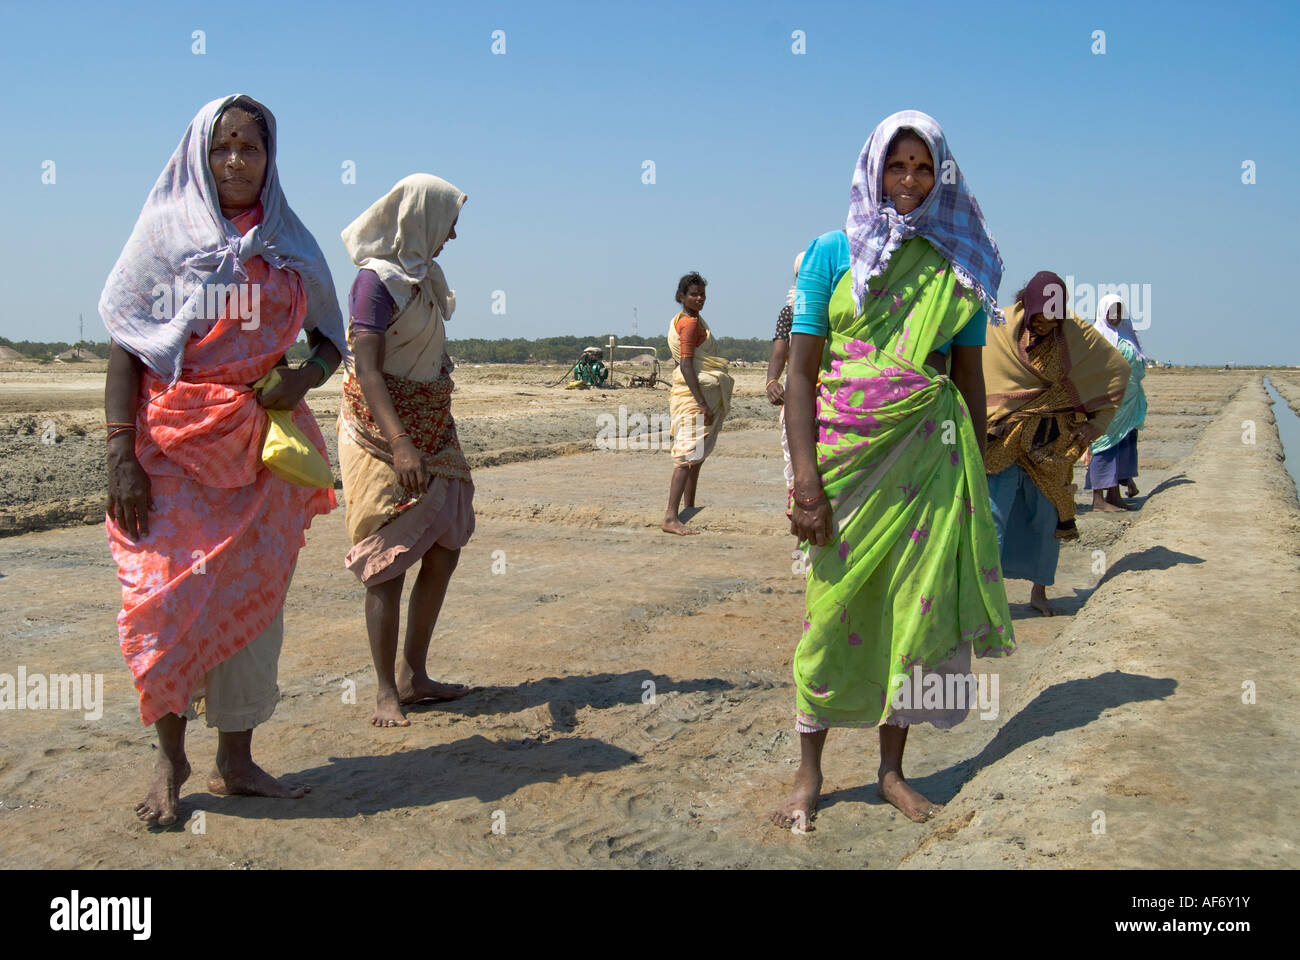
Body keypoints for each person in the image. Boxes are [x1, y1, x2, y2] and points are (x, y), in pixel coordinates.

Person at [100, 95, 346, 825]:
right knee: (166, 600)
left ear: (272, 159)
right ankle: (170, 759)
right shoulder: (162, 238)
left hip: (260, 447)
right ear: (197, 156)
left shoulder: (289, 241)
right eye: (222, 147)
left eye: (251, 147)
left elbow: (331, 337)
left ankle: (237, 760)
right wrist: (120, 456)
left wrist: (301, 378)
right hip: (169, 448)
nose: (236, 161)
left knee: (254, 603)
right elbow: (125, 348)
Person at [772, 111, 1015, 830]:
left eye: (923, 169)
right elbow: (801, 377)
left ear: (942, 178)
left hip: (930, 469)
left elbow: (968, 379)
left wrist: (976, 478)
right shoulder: (828, 254)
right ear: (872, 169)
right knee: (831, 613)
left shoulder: (955, 268)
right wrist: (805, 483)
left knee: (916, 615)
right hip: (846, 468)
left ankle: (891, 773)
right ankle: (810, 772)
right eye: (896, 166)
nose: (908, 181)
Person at [337, 174, 476, 727]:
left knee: (446, 543)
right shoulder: (375, 283)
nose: (452, 238)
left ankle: (414, 674)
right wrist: (399, 443)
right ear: (421, 220)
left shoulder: (425, 279)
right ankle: (383, 691)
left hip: (432, 424)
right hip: (380, 431)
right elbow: (368, 370)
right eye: (449, 226)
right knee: (386, 561)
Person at [983, 272, 1130, 616]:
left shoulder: (1076, 334)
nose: (1047, 324)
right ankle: (988, 599)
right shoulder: (1000, 327)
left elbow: (1116, 371)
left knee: (1046, 517)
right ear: (1028, 305)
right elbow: (975, 371)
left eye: (1054, 318)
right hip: (1003, 438)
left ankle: (1039, 592)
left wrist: (1097, 426)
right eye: (1040, 317)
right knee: (992, 517)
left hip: (1052, 442)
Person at [662, 272, 733, 535]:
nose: (700, 298)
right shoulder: (690, 324)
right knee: (686, 455)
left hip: (694, 394)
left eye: (702, 293)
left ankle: (688, 506)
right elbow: (687, 364)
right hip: (694, 397)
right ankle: (671, 516)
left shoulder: (690, 320)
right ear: (681, 297)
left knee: (697, 455)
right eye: (694, 294)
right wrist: (702, 403)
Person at [1085, 295, 1146, 507]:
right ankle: (1098, 499)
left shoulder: (1127, 334)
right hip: (1106, 403)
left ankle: (1114, 496)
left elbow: (1139, 365)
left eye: (1119, 311)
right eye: (1112, 311)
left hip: (1128, 405)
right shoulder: (1095, 336)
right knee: (1103, 446)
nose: (1116, 315)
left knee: (1122, 447)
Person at [767, 250, 805, 498]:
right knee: (796, 458)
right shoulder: (790, 312)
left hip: (833, 388)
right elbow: (780, 351)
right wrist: (771, 380)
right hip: (799, 392)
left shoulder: (837, 310)